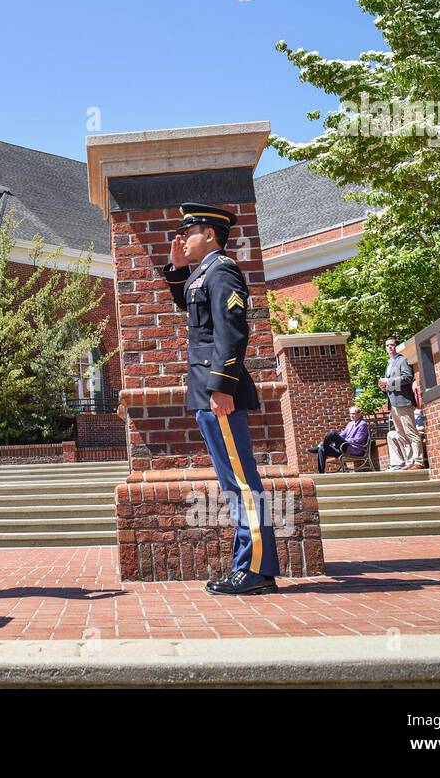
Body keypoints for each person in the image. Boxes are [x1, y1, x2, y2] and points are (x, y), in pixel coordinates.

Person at [164, 202, 279, 595]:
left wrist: (223, 385)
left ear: (209, 233)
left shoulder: (224, 269)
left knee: (243, 484)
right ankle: (245, 567)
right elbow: (194, 310)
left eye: (189, 231)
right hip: (207, 393)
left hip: (218, 393)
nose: (183, 238)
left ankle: (257, 570)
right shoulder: (204, 273)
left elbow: (232, 331)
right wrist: (179, 270)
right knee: (234, 484)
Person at [380, 337, 424, 469]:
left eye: (392, 345)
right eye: (387, 345)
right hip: (393, 404)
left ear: (396, 346)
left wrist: (388, 381)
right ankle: (409, 461)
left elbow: (407, 378)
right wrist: (384, 387)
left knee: (410, 432)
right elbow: (392, 384)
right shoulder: (389, 363)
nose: (390, 347)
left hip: (403, 402)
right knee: (401, 434)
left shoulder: (402, 360)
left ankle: (419, 461)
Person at [307, 405, 370, 473]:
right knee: (321, 449)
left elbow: (358, 440)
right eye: (350, 414)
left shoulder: (363, 424)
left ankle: (321, 446)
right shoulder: (350, 424)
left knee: (332, 433)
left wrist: (345, 440)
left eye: (353, 414)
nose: (351, 415)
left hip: (353, 448)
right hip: (342, 449)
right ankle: (321, 471)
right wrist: (336, 440)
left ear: (359, 414)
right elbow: (343, 434)